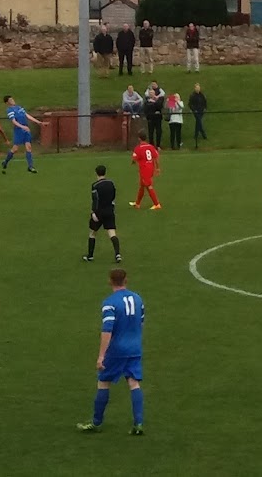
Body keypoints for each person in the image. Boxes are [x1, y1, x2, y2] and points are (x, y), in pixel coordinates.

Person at [76, 267, 145, 435]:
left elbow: (107, 330)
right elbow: (140, 323)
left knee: (103, 382)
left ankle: (96, 422)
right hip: (135, 347)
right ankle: (139, 424)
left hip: (116, 350)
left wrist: (101, 356)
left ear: (110, 281)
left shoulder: (110, 303)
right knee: (134, 383)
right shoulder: (138, 299)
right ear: (126, 280)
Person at [84, 164, 122, 263]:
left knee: (92, 233)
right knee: (112, 233)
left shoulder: (95, 185)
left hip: (99, 212)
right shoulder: (111, 183)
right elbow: (113, 196)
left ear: (96, 173)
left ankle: (90, 256)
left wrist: (93, 212)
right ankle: (117, 254)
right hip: (109, 211)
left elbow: (95, 200)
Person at [1, 94, 44, 174]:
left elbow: (27, 116)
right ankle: (5, 162)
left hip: (26, 129)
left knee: (28, 147)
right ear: (7, 103)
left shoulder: (19, 107)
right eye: (10, 100)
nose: (12, 101)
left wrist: (39, 122)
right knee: (15, 149)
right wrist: (22, 127)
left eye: (12, 99)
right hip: (19, 130)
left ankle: (30, 167)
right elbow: (14, 121)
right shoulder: (10, 110)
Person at [130, 136, 162, 210]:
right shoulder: (151, 147)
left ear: (139, 138)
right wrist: (157, 168)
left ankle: (157, 204)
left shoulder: (138, 148)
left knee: (148, 186)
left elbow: (134, 159)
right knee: (142, 185)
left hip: (144, 169)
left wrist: (133, 162)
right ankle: (137, 203)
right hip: (150, 168)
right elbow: (156, 157)